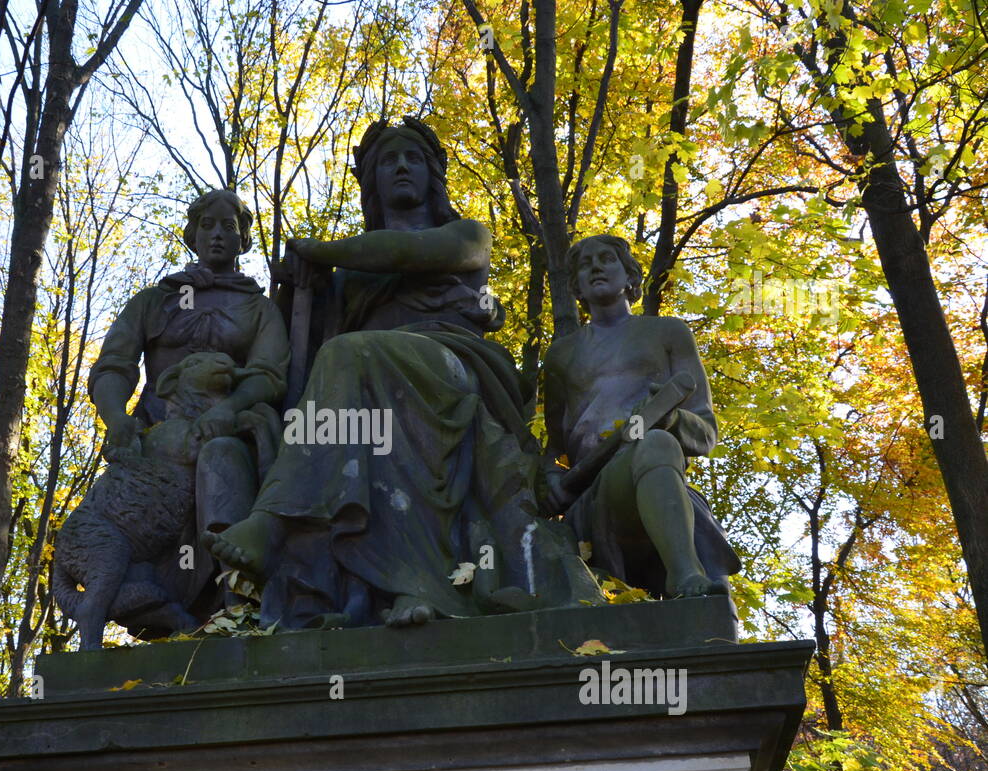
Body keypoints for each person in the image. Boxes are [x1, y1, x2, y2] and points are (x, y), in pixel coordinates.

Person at [206, 118, 601, 629]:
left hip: (452, 365)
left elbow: (402, 252)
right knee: (363, 406)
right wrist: (295, 286)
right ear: (371, 181)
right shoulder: (346, 275)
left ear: (433, 176)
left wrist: (319, 252)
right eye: (387, 161)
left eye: (413, 158)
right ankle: (400, 588)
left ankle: (271, 522)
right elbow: (301, 352)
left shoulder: (466, 235)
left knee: (351, 355)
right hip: (368, 384)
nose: (400, 167)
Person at [89, 189, 289, 619]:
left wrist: (229, 409)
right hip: (157, 436)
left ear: (245, 241)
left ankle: (240, 598)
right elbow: (113, 367)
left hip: (232, 431)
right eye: (207, 225)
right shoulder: (153, 301)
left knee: (219, 458)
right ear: (191, 235)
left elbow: (269, 375)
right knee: (108, 524)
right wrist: (115, 418)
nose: (217, 234)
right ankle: (156, 604)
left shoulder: (260, 310)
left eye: (229, 227)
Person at [542, 234, 741, 599]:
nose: (596, 267)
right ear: (576, 288)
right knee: (656, 444)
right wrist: (552, 478)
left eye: (607, 259)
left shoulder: (668, 333)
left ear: (631, 277)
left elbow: (705, 433)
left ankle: (686, 578)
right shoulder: (561, 356)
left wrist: (671, 421)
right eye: (586, 265)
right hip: (595, 494)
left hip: (658, 472)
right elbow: (554, 448)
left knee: (657, 442)